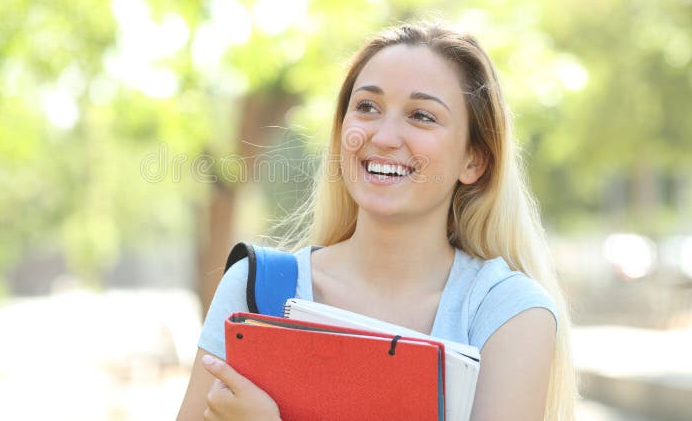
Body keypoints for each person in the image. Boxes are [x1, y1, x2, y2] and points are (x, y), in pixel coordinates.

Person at [177, 21, 576, 420]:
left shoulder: (507, 313)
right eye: (367, 107)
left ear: (473, 160)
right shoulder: (256, 291)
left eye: (422, 115)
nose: (384, 136)